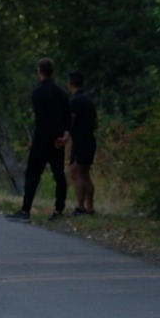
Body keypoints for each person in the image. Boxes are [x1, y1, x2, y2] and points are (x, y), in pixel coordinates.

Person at [11, 58, 69, 220]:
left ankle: (26, 210)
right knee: (59, 174)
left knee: (33, 174)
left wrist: (52, 137)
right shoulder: (61, 93)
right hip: (58, 141)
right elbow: (67, 118)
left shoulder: (37, 92)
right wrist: (63, 136)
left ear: (39, 71)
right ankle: (59, 209)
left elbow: (42, 119)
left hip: (43, 140)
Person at [65, 71, 98, 215]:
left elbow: (70, 121)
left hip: (80, 141)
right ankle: (90, 207)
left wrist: (66, 134)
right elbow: (96, 123)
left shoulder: (74, 101)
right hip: (90, 139)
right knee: (85, 173)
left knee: (75, 172)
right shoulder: (89, 100)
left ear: (70, 83)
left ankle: (80, 207)